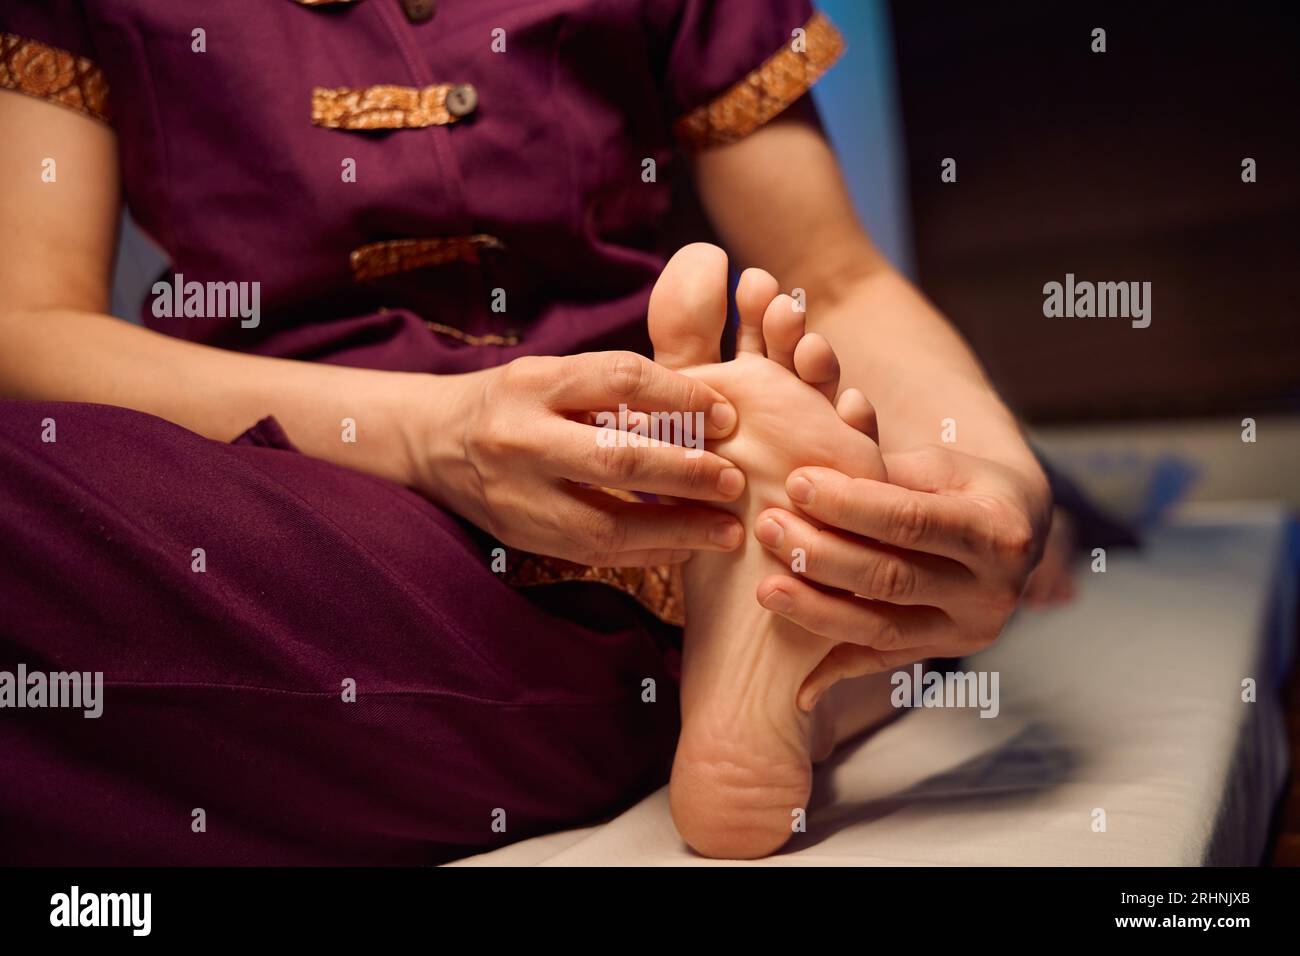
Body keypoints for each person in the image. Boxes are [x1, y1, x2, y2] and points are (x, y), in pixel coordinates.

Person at [0, 1, 1049, 863]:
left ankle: (742, 593)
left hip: (608, 475)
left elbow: (836, 279)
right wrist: (430, 432)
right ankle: (789, 659)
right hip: (269, 468)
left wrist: (1000, 481)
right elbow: (27, 328)